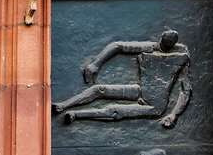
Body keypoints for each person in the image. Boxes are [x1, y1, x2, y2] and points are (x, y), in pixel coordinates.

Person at [53, 29, 192, 126]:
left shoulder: (182, 57)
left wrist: (174, 114)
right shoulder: (151, 47)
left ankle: (76, 115)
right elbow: (117, 46)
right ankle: (63, 105)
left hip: (155, 106)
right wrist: (96, 64)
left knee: (115, 110)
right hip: (141, 91)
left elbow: (185, 90)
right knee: (99, 90)